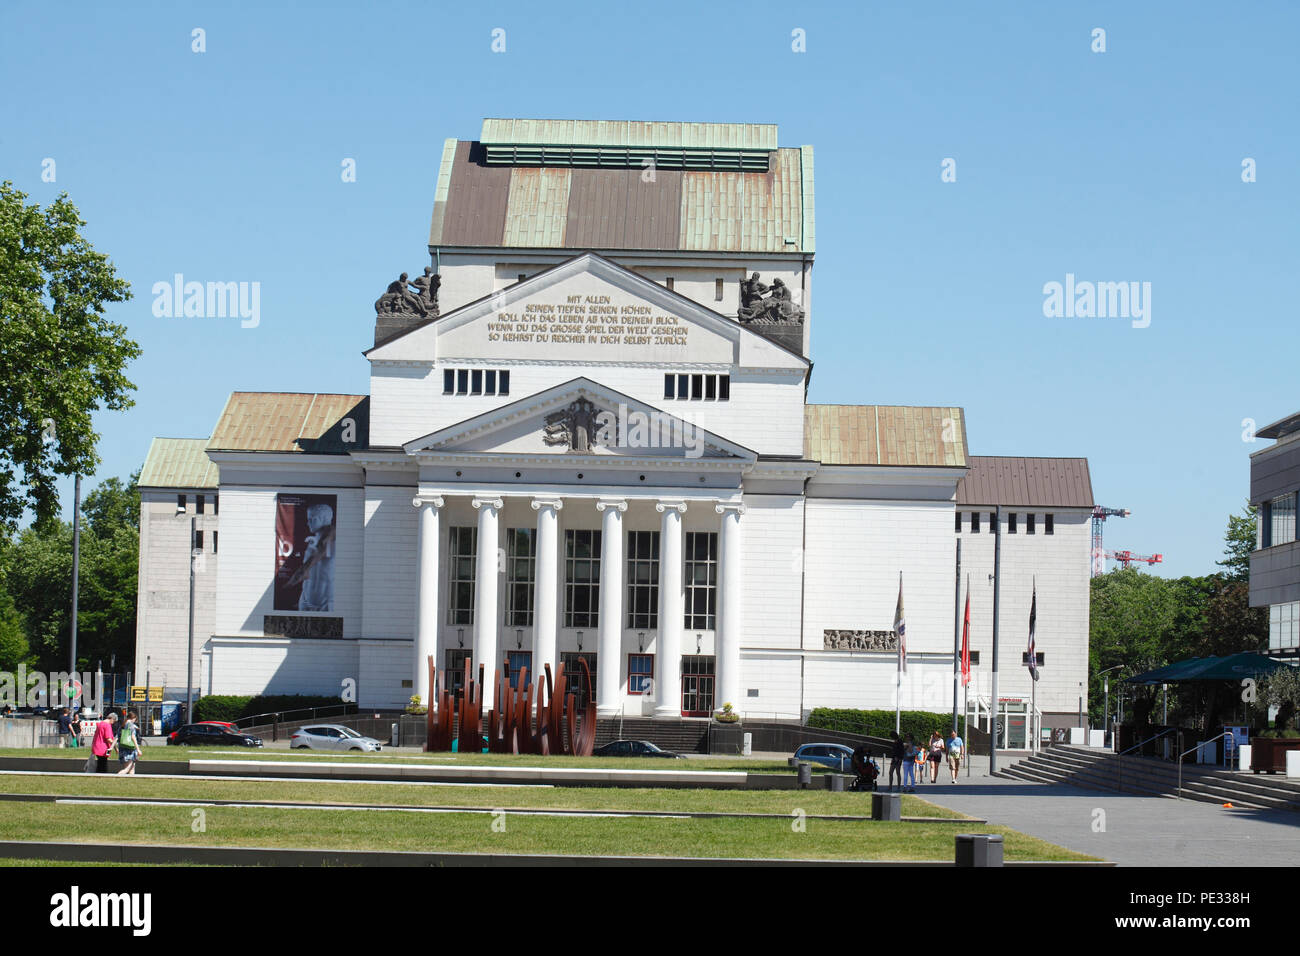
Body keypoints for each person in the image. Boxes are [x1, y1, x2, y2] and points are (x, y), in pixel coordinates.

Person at [117, 711, 142, 775]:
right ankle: (117, 777)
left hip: (123, 748)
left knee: (132, 767)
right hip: (130, 749)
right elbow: (133, 736)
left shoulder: (123, 724)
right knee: (127, 768)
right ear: (133, 718)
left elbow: (117, 737)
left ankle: (130, 780)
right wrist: (138, 749)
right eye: (135, 720)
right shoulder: (130, 725)